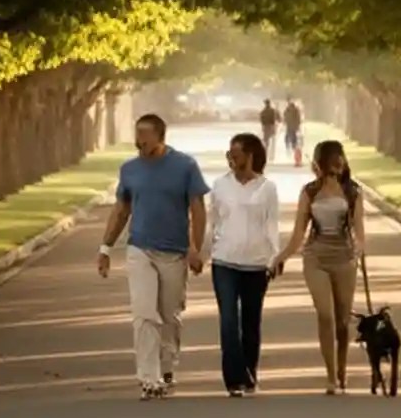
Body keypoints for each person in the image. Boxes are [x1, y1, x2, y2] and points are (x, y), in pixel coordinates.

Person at [98, 114, 210, 400]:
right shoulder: (130, 170)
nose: (140, 141)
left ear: (161, 136)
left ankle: (167, 364)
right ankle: (148, 377)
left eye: (146, 135)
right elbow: (121, 210)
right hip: (140, 248)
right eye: (137, 135)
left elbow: (197, 208)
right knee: (144, 312)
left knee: (169, 314)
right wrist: (105, 248)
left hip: (174, 251)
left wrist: (195, 248)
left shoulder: (184, 166)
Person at [271, 140, 367, 395]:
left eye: (341, 159)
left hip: (344, 258)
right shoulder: (310, 192)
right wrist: (281, 256)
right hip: (316, 257)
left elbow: (359, 229)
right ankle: (331, 375)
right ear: (323, 163)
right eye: (334, 159)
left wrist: (359, 247)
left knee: (343, 320)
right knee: (325, 314)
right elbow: (298, 234)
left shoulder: (353, 191)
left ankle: (343, 368)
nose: (339, 164)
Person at [203, 133, 279, 398]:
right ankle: (233, 378)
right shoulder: (220, 186)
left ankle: (250, 373)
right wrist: (201, 254)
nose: (232, 160)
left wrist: (275, 257)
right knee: (228, 321)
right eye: (229, 155)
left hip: (257, 263)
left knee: (251, 321)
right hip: (224, 260)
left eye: (236, 155)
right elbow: (212, 223)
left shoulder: (267, 188)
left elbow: (271, 225)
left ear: (250, 156)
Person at [283, 97, 303, 167]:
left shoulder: (289, 110)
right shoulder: (293, 110)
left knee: (289, 136)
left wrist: (285, 122)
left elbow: (285, 116)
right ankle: (290, 146)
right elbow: (298, 118)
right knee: (290, 136)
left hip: (291, 126)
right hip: (292, 126)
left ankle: (290, 146)